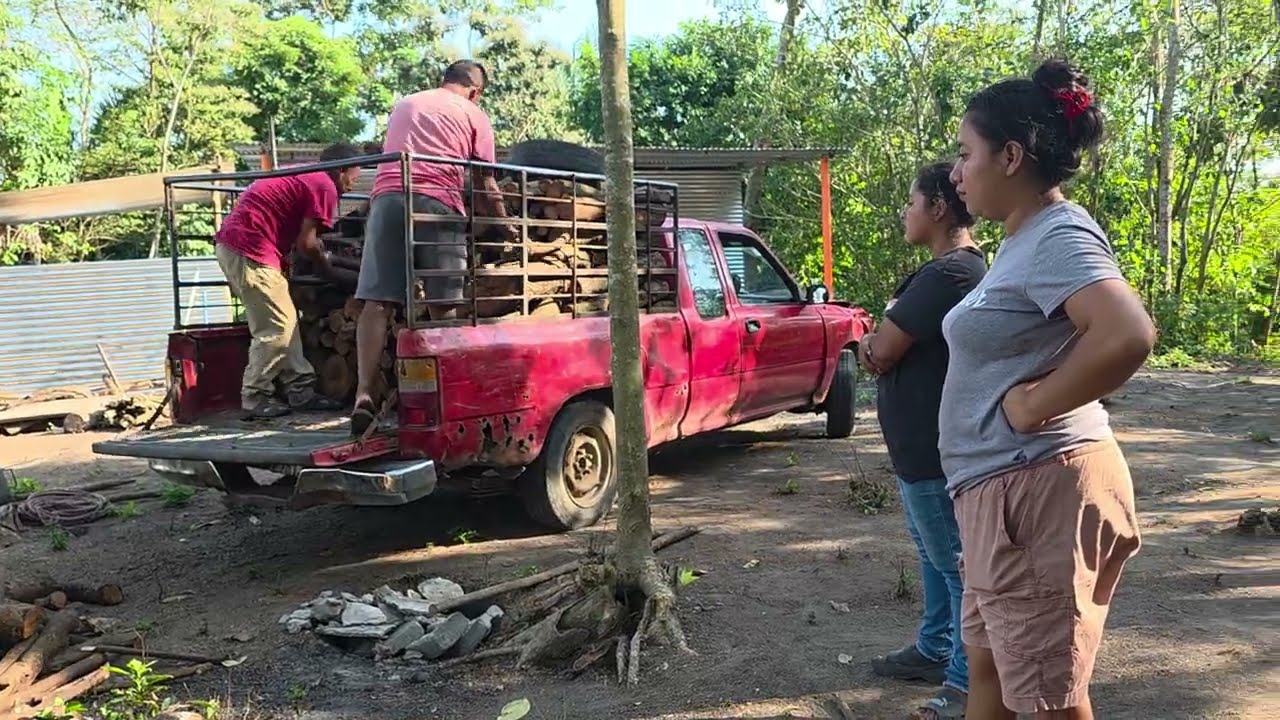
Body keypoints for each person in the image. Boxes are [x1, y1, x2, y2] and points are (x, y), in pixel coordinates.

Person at [939, 58, 1155, 719]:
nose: (955, 172)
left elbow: (1126, 333)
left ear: (1009, 156)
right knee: (989, 668)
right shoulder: (1025, 240)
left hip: (1032, 491)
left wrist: (1033, 404)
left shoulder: (1059, 233)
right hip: (1003, 495)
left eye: (964, 153)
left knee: (1045, 700)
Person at [860, 162, 986, 720]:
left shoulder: (950, 274)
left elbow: (882, 350)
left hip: (937, 454)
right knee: (936, 559)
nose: (905, 212)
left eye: (912, 201)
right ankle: (935, 648)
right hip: (920, 452)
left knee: (957, 569)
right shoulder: (944, 273)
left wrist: (869, 342)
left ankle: (962, 682)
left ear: (938, 207)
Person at [351, 59, 510, 436]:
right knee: (445, 306)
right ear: (476, 90)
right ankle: (444, 399)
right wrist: (505, 228)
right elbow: (485, 181)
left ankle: (362, 394)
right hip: (437, 202)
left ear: (444, 81)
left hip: (387, 197)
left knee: (376, 302)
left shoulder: (406, 102)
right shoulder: (473, 113)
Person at [214, 142, 364, 419]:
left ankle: (300, 390)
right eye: (354, 177)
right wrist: (326, 267)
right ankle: (255, 395)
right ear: (342, 170)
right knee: (277, 327)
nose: (353, 185)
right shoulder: (324, 185)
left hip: (240, 247)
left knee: (286, 320)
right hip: (250, 249)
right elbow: (307, 245)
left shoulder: (303, 173)